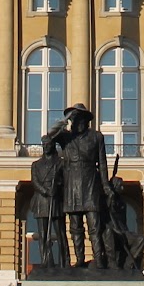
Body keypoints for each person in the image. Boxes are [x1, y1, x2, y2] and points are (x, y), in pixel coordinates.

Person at [50, 103, 108, 268]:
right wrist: (65, 120)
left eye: (80, 118)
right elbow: (48, 136)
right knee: (75, 227)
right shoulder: (66, 137)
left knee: (94, 226)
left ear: (86, 120)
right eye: (74, 119)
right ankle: (80, 260)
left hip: (90, 182)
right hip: (72, 183)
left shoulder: (96, 137)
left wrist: (105, 185)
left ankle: (99, 259)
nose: (77, 122)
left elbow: (102, 163)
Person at [30, 124, 70, 268]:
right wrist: (46, 191)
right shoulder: (36, 165)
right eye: (44, 144)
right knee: (43, 235)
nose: (46, 147)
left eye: (49, 144)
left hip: (56, 200)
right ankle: (47, 262)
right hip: (42, 200)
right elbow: (34, 181)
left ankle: (64, 263)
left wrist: (58, 185)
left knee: (60, 233)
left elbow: (66, 180)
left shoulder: (60, 163)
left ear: (53, 145)